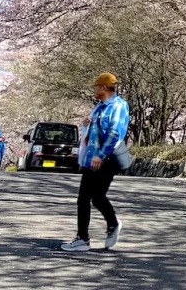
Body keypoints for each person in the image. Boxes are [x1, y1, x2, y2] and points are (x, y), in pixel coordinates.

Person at [61, 73, 130, 253]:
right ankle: (100, 229)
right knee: (90, 197)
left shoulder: (118, 106)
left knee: (92, 197)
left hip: (106, 159)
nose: (94, 89)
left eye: (96, 86)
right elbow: (94, 130)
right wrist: (87, 125)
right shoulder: (99, 107)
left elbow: (115, 133)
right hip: (92, 159)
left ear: (104, 88)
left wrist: (100, 155)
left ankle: (86, 237)